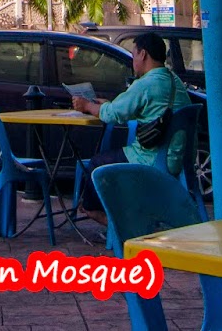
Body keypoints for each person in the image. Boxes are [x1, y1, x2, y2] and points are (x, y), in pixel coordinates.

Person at [71, 32, 191, 224]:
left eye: (134, 55)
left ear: (142, 54)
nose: (133, 60)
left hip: (150, 159)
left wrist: (87, 106)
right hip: (175, 158)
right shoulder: (172, 80)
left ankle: (100, 214)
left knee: (96, 163)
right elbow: (145, 109)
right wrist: (106, 105)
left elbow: (112, 115)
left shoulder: (146, 83)